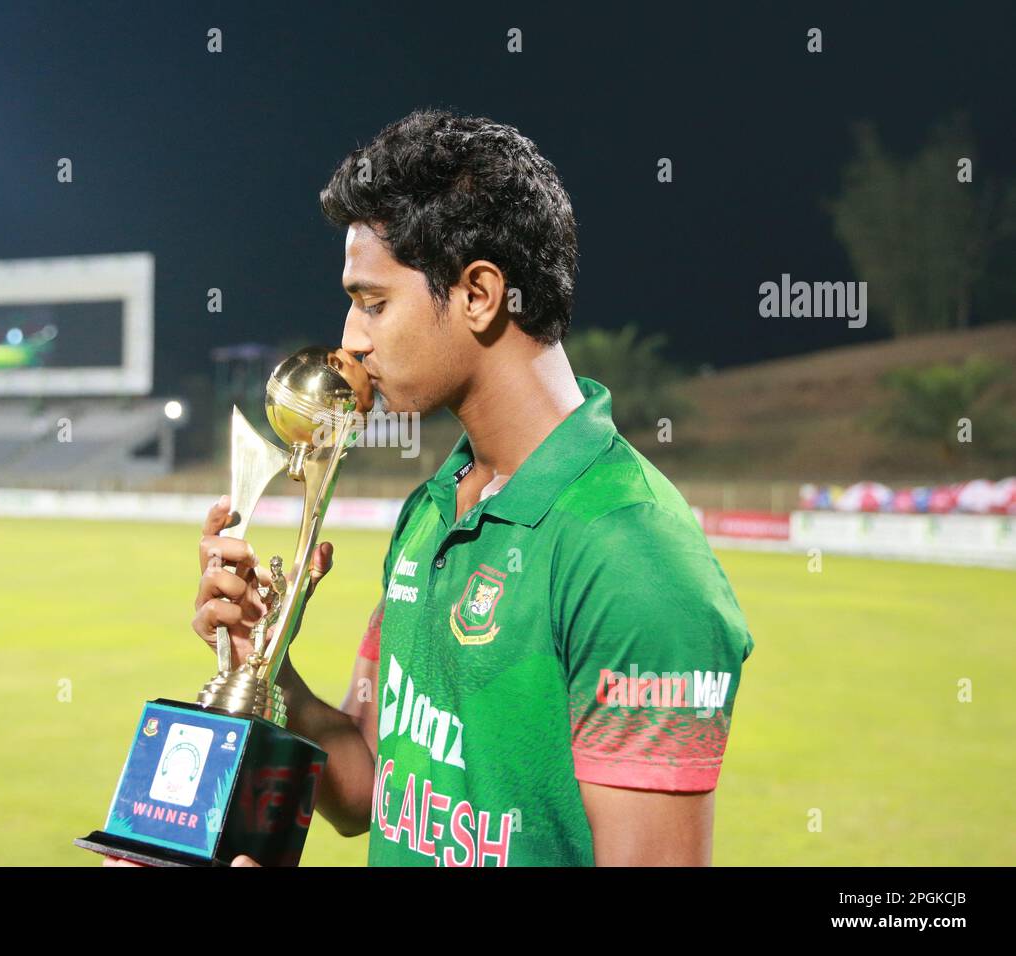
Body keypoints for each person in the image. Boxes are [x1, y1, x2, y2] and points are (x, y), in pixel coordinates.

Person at [147, 109, 753, 867]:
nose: (351, 339)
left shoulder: (630, 550)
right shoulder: (432, 509)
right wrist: (267, 672)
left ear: (479, 294)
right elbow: (372, 785)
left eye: (374, 302)